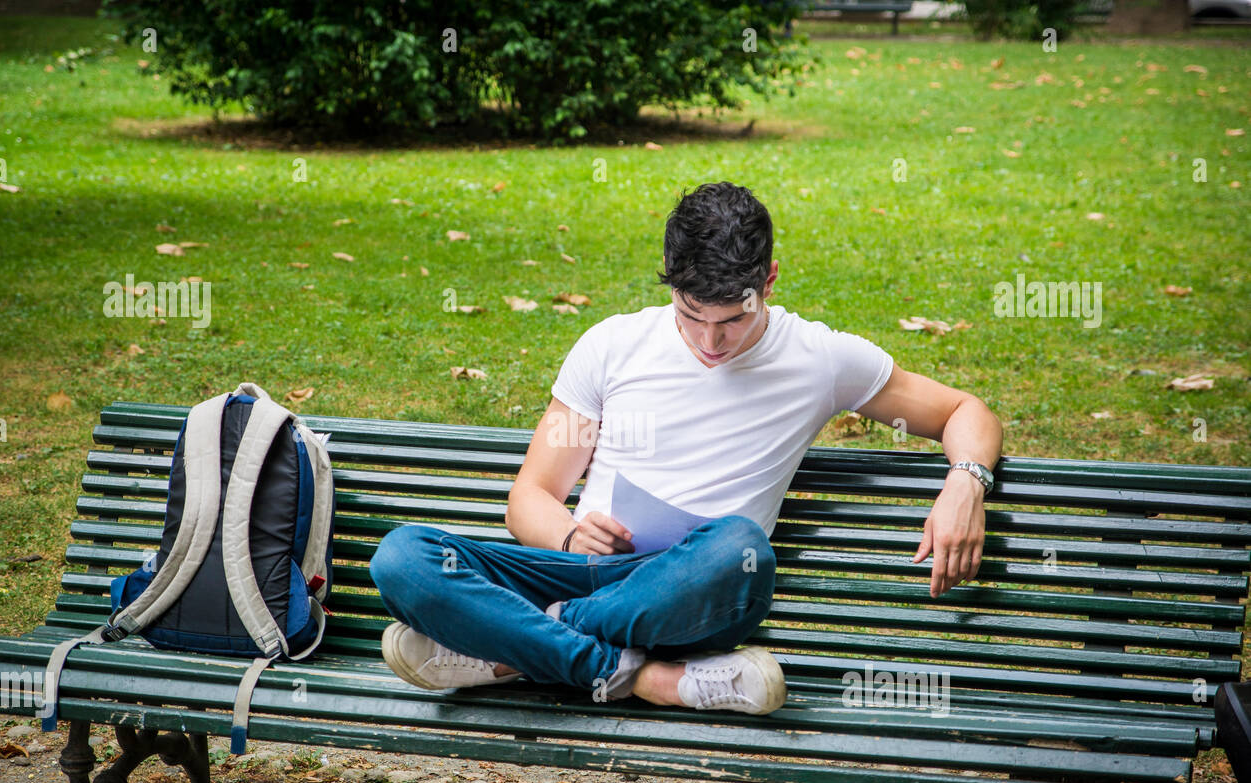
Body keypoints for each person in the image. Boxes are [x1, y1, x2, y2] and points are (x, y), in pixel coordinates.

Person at [369, 181, 1002, 716]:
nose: (710, 340)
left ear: (769, 282)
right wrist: (567, 537)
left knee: (739, 549)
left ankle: (509, 651)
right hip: (586, 571)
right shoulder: (612, 345)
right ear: (670, 282)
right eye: (691, 313)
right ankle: (652, 681)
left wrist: (965, 484)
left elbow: (963, 410)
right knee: (403, 557)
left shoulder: (820, 359)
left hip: (695, 588)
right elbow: (532, 494)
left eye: (731, 320)